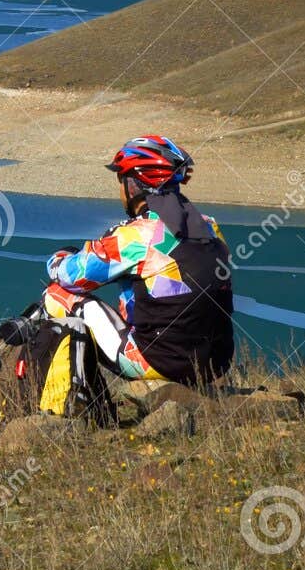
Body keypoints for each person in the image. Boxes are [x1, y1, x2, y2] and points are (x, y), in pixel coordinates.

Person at [42, 135, 234, 386]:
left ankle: (75, 393)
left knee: (56, 294)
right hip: (216, 363)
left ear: (133, 185)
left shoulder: (136, 235)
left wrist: (59, 258)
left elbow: (71, 276)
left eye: (121, 179)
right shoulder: (209, 227)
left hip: (159, 362)